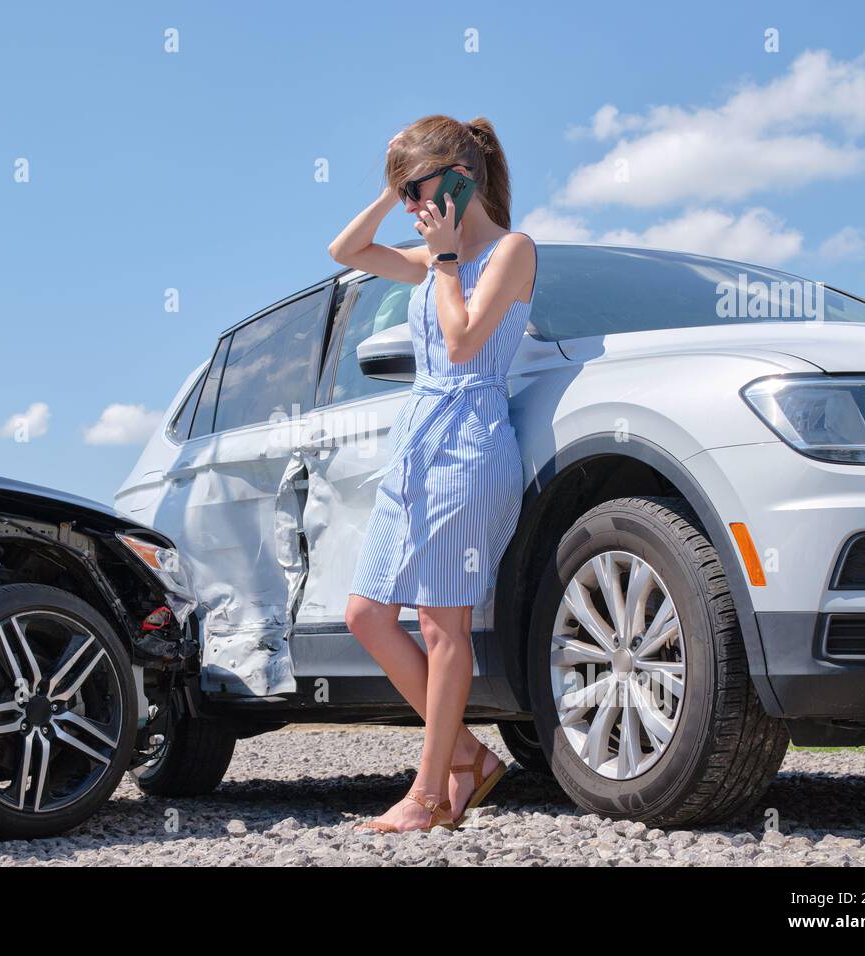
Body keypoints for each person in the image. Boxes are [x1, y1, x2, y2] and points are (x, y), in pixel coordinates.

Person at [327, 115, 538, 832]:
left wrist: (446, 258)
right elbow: (345, 249)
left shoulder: (511, 251)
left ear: (459, 179)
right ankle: (469, 758)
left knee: (441, 624)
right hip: (417, 439)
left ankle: (428, 793)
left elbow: (464, 338)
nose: (414, 207)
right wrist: (395, 190)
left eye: (420, 189)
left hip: (471, 439)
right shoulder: (426, 254)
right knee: (367, 613)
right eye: (407, 194)